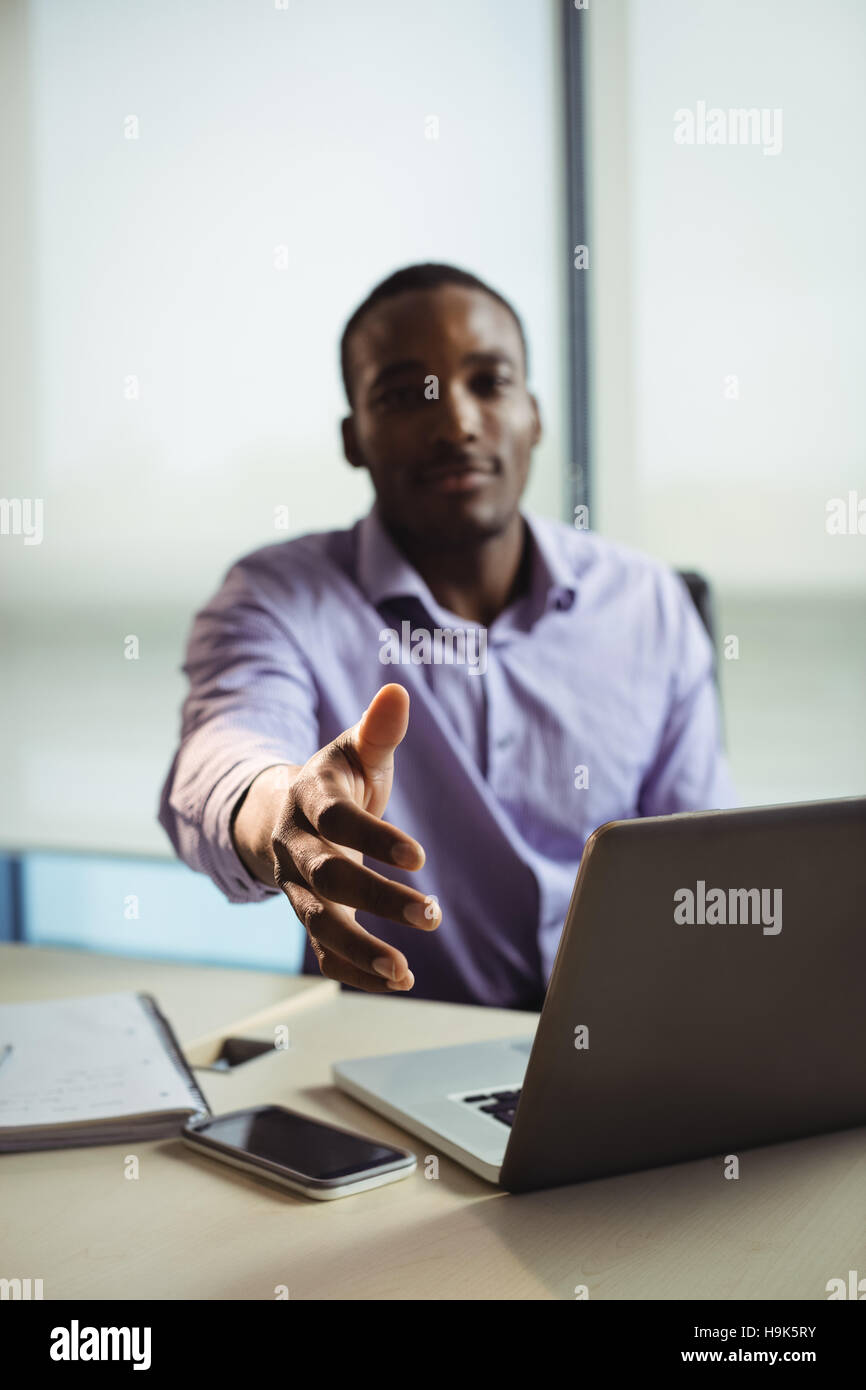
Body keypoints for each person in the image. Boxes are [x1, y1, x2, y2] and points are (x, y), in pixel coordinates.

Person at [158, 262, 735, 1009]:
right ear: (353, 438)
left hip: (628, 1046)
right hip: (382, 1057)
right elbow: (225, 750)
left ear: (533, 413)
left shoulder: (648, 602)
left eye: (489, 383)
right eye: (403, 396)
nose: (455, 422)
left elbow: (702, 863)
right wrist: (283, 813)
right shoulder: (278, 598)